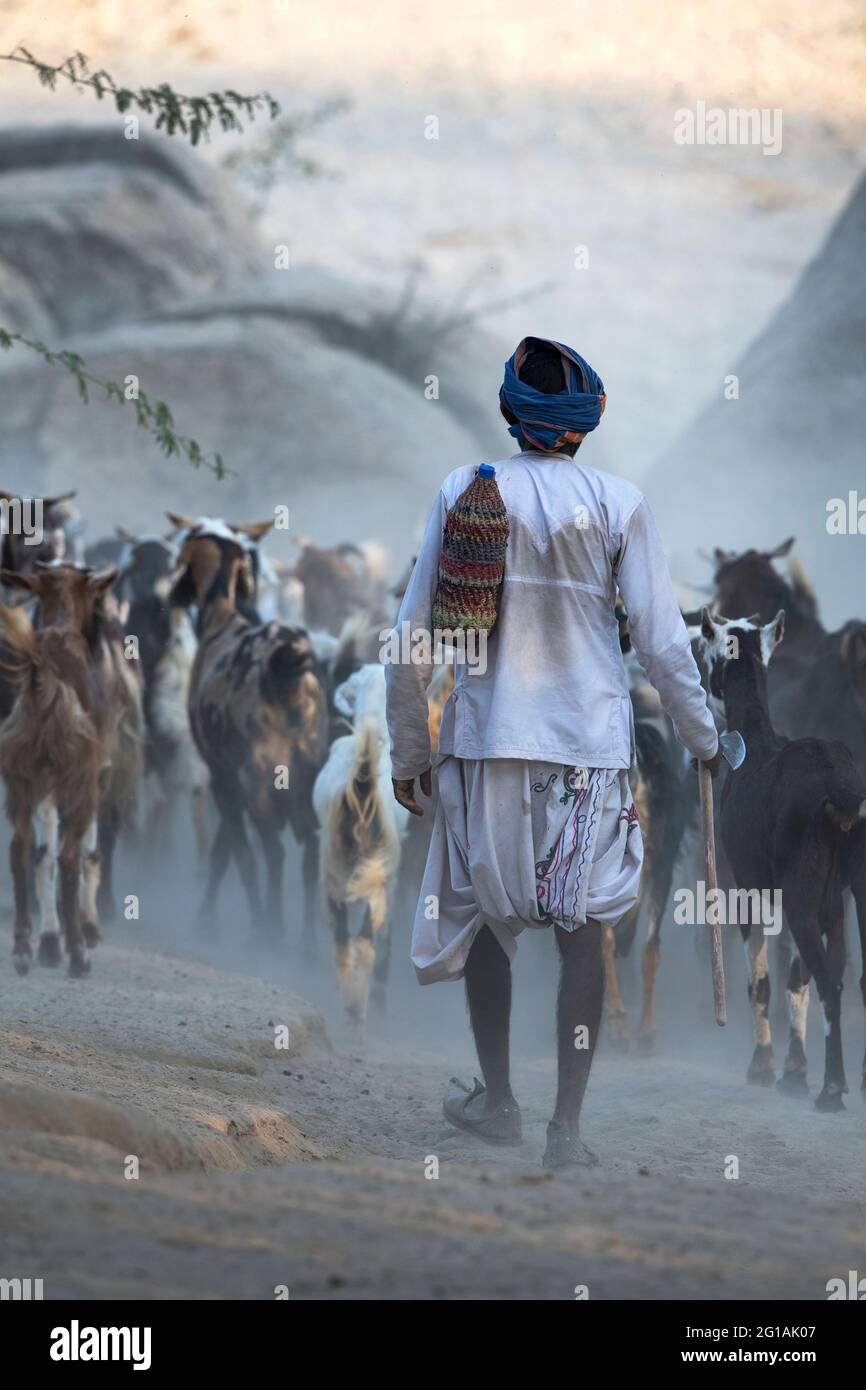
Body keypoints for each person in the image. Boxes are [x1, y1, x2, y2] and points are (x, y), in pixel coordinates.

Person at [383, 336, 720, 1169]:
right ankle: (565, 1130)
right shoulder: (619, 503)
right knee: (584, 932)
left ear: (509, 411)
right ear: (586, 423)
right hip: (589, 752)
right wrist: (706, 740)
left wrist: (405, 753)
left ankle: (499, 1102)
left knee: (495, 928)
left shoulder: (465, 489)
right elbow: (665, 643)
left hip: (485, 743)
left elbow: (411, 637)